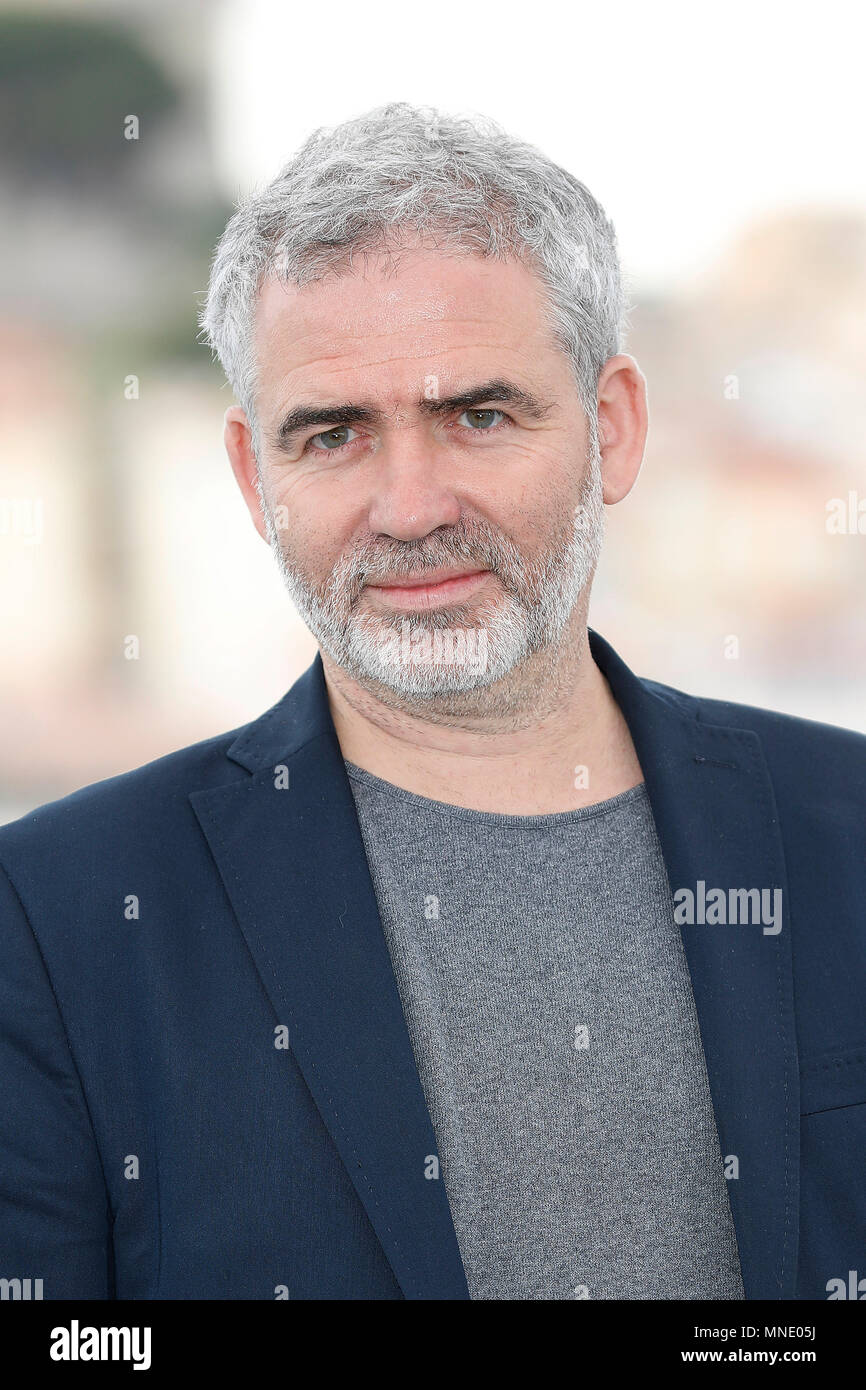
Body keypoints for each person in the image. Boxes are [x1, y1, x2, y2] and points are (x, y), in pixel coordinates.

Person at [1, 102, 864, 1301]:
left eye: (478, 414)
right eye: (334, 434)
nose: (409, 508)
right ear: (257, 476)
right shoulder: (56, 916)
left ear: (609, 430)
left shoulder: (848, 828)